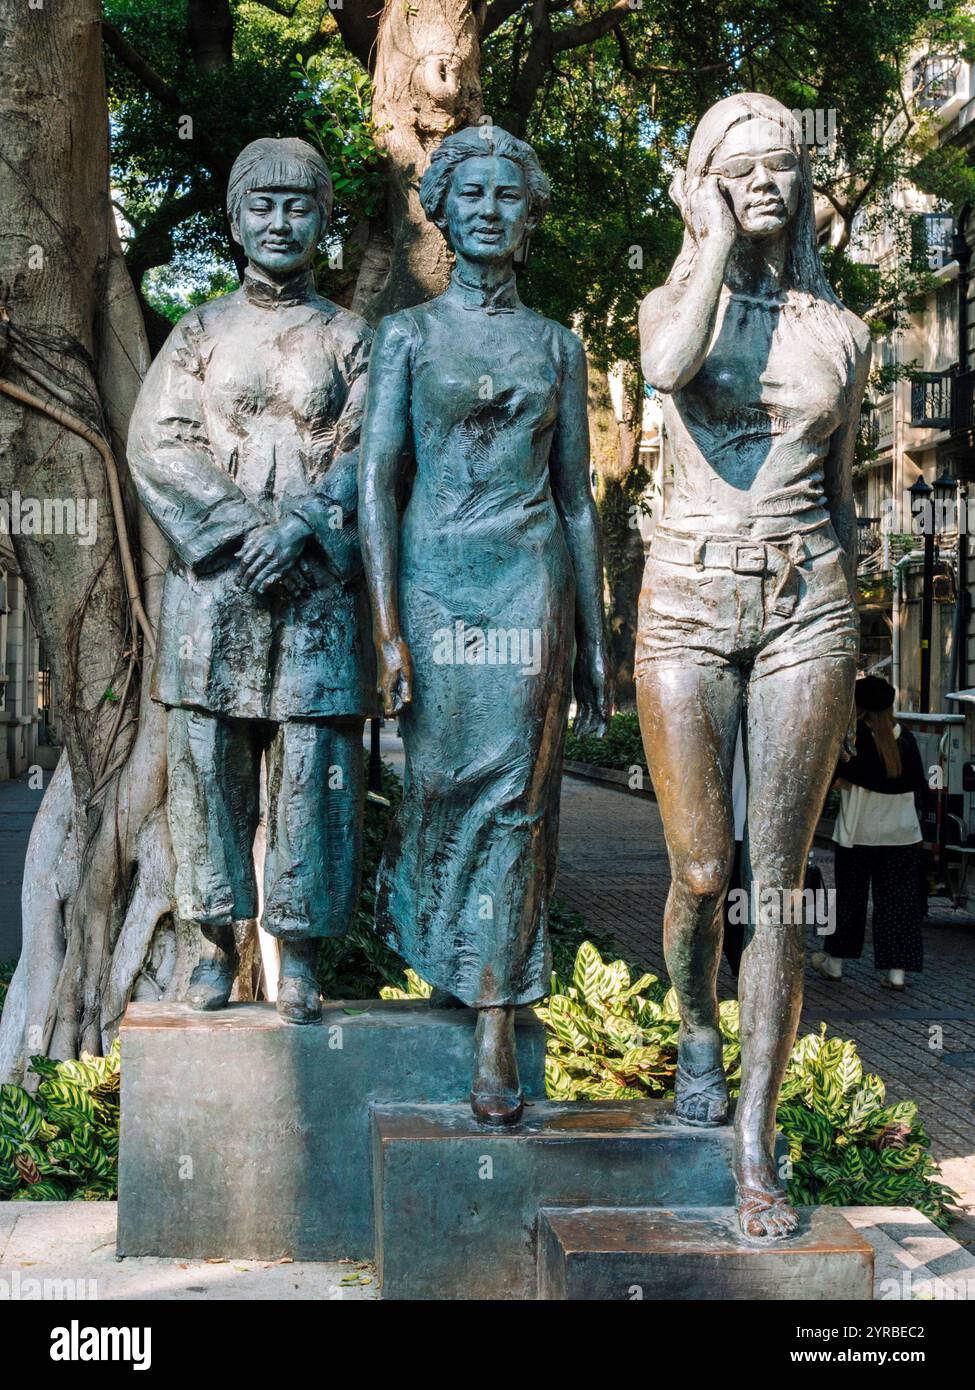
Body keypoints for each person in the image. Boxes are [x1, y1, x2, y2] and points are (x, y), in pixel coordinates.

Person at [637, 94, 870, 1239]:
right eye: (739, 169)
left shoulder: (843, 328)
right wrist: (711, 237)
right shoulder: (667, 306)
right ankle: (693, 1027)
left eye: (782, 167)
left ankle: (754, 1143)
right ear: (704, 182)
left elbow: (843, 497)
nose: (765, 181)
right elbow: (673, 366)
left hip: (805, 606)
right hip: (683, 597)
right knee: (700, 870)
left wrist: (853, 617)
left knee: (778, 880)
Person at [358, 125, 610, 1126]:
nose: (494, 208)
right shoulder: (408, 337)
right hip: (431, 582)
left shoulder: (558, 344)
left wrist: (596, 639)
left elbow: (580, 498)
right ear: (445, 210)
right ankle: (442, 964)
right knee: (434, 788)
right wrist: (386, 632)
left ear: (529, 216)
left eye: (512, 194)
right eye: (475, 194)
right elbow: (379, 483)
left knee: (514, 794)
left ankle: (499, 1016)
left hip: (528, 583)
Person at [128, 138, 376, 1023]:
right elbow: (158, 444)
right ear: (234, 221)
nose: (280, 221)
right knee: (206, 767)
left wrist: (305, 523)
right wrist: (241, 531)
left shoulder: (355, 340)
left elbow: (374, 452)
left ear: (322, 219)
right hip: (216, 589)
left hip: (316, 595)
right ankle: (210, 945)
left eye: (298, 205)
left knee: (316, 767)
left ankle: (300, 953)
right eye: (262, 205)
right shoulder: (197, 333)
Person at [813, 675, 926, 989]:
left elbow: (832, 783)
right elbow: (917, 785)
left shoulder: (852, 743)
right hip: (901, 835)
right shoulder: (906, 740)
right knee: (899, 903)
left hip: (857, 835)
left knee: (850, 901)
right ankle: (896, 972)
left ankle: (835, 963)